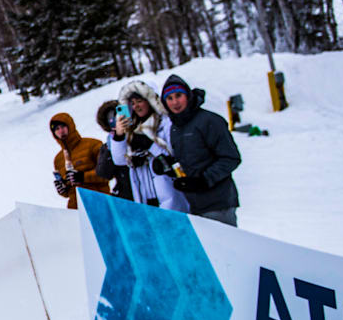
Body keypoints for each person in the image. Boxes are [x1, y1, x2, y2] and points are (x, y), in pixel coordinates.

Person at [161, 75, 241, 226]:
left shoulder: (209, 121)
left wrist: (204, 180)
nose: (175, 102)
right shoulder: (176, 127)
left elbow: (231, 158)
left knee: (224, 249)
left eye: (179, 95)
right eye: (169, 98)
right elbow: (191, 159)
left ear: (188, 95)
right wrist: (171, 168)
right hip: (195, 205)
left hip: (218, 204)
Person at [109, 81, 188, 212]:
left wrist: (150, 145)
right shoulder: (131, 129)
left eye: (139, 101)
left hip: (170, 196)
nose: (136, 107)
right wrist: (119, 135)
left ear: (150, 100)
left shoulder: (165, 122)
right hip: (144, 196)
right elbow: (119, 160)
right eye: (132, 103)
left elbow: (174, 156)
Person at [49, 113, 110, 209]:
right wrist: (63, 189)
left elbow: (107, 173)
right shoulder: (58, 159)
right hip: (76, 210)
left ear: (70, 126)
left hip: (100, 204)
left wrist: (82, 177)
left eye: (63, 127)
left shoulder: (93, 145)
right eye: (56, 129)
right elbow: (68, 192)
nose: (61, 131)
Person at [94, 100, 132, 201]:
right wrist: (115, 140)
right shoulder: (108, 145)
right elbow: (103, 173)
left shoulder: (138, 134)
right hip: (126, 197)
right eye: (112, 120)